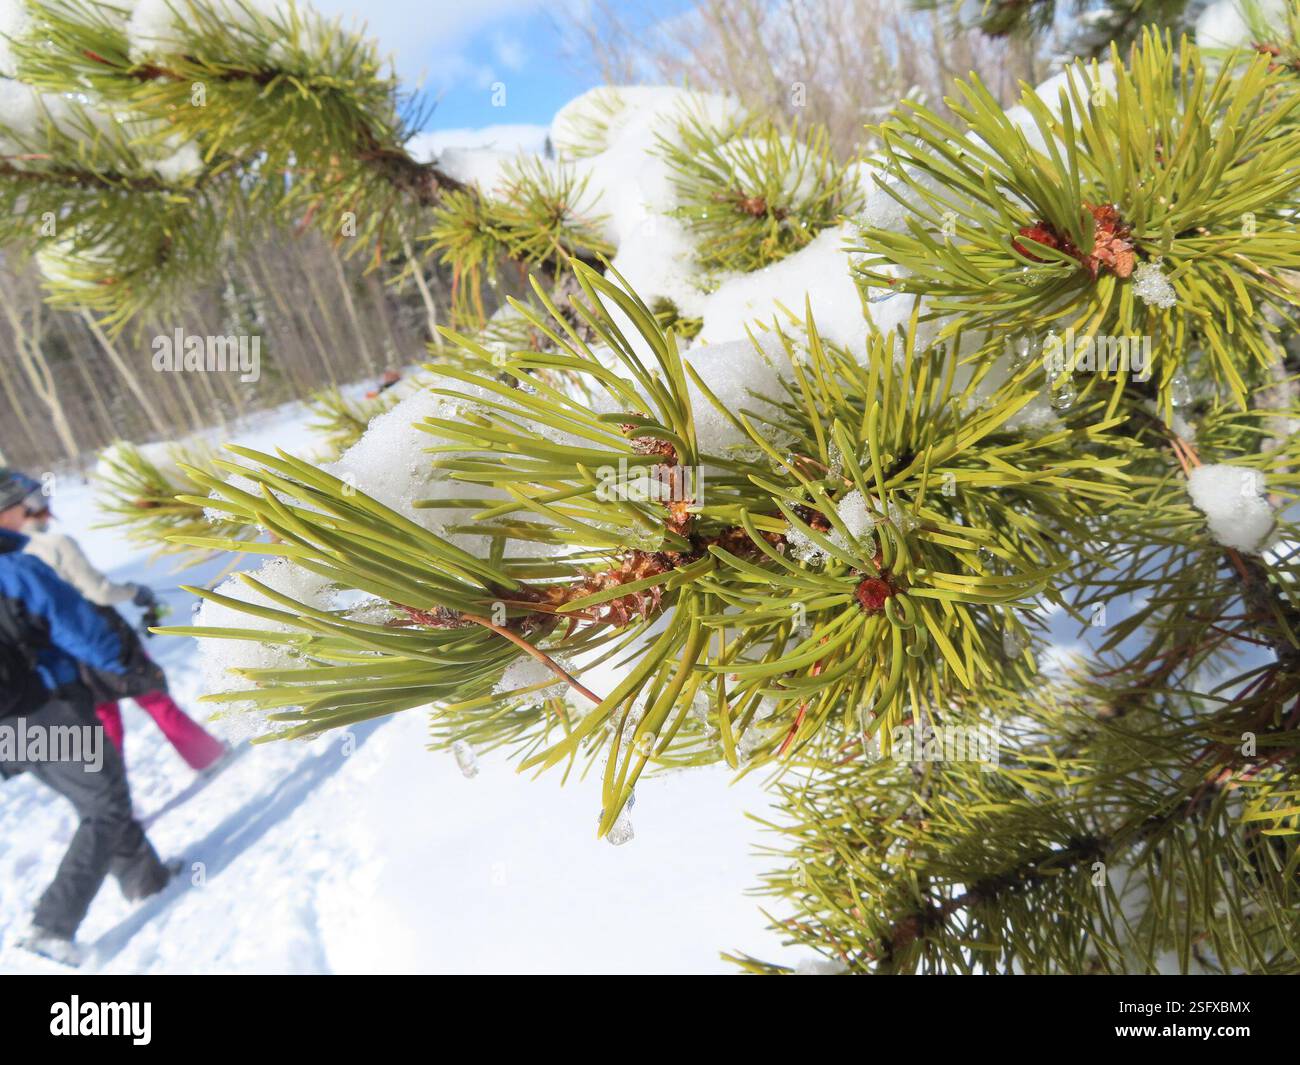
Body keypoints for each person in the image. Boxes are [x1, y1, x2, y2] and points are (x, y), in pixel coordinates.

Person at [0, 470, 177, 966]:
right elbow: (77, 625)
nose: (30, 509)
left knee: (96, 799)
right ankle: (49, 927)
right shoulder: (17, 567)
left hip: (7, 727)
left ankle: (148, 881)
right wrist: (121, 663)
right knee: (105, 805)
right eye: (23, 501)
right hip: (49, 708)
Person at [14, 479, 227, 773]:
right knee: (152, 695)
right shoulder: (57, 544)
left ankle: (116, 795)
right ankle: (206, 755)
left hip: (66, 651)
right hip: (103, 637)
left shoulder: (13, 557)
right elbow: (98, 591)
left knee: (104, 718)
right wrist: (134, 591)